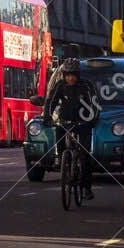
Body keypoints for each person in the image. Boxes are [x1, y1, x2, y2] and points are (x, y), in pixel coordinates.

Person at [45, 60, 101, 200]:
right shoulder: (60, 86)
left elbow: (95, 105)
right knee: (59, 132)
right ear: (64, 75)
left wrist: (92, 119)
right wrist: (48, 116)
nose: (70, 78)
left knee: (85, 155)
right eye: (68, 75)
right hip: (66, 121)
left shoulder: (86, 86)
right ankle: (62, 158)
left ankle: (87, 188)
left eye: (73, 75)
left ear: (78, 75)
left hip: (83, 123)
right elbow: (50, 102)